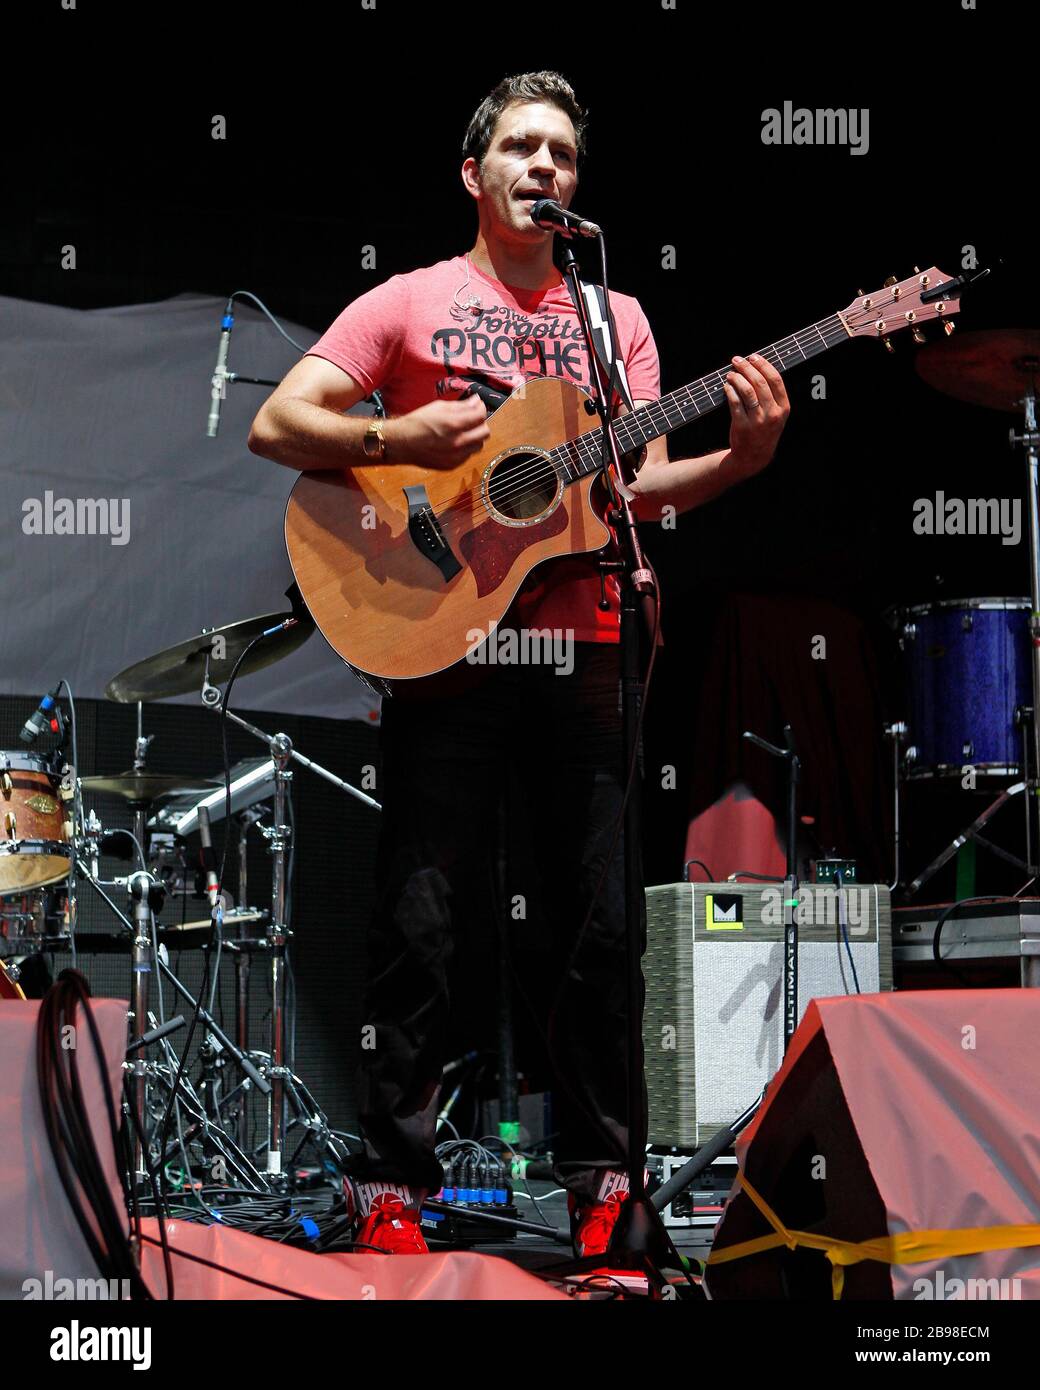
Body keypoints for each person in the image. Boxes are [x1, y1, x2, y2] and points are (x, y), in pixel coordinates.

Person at [248, 70, 789, 1257]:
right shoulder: (407, 301)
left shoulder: (616, 320)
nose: (545, 168)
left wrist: (739, 465)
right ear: (472, 173)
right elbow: (277, 423)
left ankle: (604, 1182)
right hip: (441, 644)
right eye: (521, 149)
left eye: (563, 156)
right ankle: (388, 1179)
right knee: (421, 922)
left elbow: (626, 485)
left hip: (588, 644)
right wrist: (396, 435)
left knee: (595, 928)